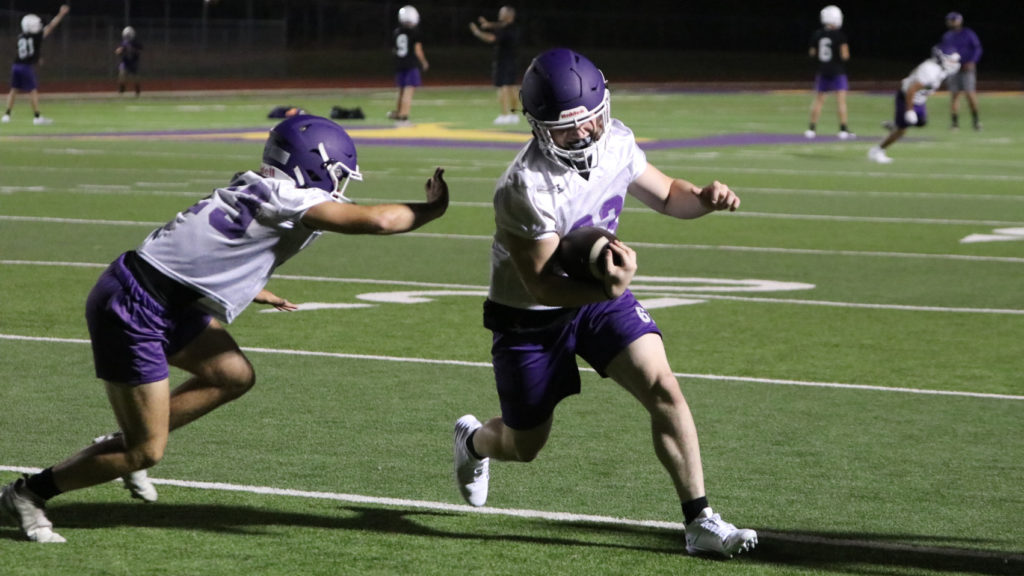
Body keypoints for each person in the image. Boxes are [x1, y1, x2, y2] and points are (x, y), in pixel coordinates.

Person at [0, 115, 449, 543]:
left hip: (159, 292)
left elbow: (211, 245)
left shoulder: (254, 185)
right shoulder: (291, 198)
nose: (340, 184)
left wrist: (254, 287)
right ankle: (29, 493)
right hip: (136, 307)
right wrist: (434, 208)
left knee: (232, 374)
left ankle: (121, 443)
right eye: (338, 173)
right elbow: (379, 221)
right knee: (146, 451)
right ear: (314, 165)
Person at [452, 48, 757, 559]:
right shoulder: (524, 186)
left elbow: (665, 194)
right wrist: (609, 288)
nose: (584, 135)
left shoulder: (616, 141)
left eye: (591, 121)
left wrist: (702, 199)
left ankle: (700, 520)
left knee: (663, 386)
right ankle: (473, 443)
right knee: (524, 446)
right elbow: (543, 287)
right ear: (538, 127)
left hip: (596, 294)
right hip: (531, 317)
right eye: (566, 129)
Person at [868, 45, 961, 164]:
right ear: (941, 58)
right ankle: (878, 150)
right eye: (951, 60)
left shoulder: (940, 70)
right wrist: (909, 110)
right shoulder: (930, 70)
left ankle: (897, 124)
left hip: (919, 100)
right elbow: (911, 90)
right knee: (902, 130)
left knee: (921, 122)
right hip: (907, 98)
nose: (954, 63)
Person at [2, 5, 70, 125]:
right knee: (32, 91)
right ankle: (37, 117)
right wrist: (61, 14)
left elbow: (28, 51)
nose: (38, 26)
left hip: (16, 65)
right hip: (26, 67)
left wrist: (37, 58)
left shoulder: (21, 36)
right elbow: (51, 26)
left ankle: (7, 115)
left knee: (14, 90)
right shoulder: (36, 36)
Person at [805, 5, 854, 140]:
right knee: (841, 101)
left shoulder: (817, 34)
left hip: (822, 70)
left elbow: (812, 53)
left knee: (818, 101)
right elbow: (845, 55)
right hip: (838, 71)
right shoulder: (840, 35)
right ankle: (843, 130)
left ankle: (811, 129)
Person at [469, 6, 521, 125]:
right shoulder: (514, 27)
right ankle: (514, 115)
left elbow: (492, 38)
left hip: (503, 61)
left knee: (502, 87)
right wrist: (488, 24)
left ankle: (504, 115)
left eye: (501, 13)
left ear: (508, 15)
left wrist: (477, 33)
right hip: (513, 60)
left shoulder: (504, 30)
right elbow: (500, 25)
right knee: (512, 87)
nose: (499, 14)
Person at [941, 11, 983, 131]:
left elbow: (977, 48)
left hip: (967, 68)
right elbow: (944, 51)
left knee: (970, 94)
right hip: (953, 69)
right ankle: (955, 124)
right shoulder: (947, 36)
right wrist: (947, 64)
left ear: (960, 21)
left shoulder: (968, 33)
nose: (952, 22)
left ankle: (976, 122)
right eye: (950, 20)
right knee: (954, 95)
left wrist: (972, 61)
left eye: (954, 20)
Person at [387, 5, 429, 125]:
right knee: (408, 90)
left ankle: (399, 111)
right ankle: (403, 115)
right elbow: (417, 50)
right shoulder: (414, 33)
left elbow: (395, 49)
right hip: (411, 64)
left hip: (399, 63)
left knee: (401, 90)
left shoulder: (397, 32)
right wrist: (424, 62)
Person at [116, 26, 143, 97]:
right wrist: (120, 50)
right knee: (122, 74)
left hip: (133, 62)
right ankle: (122, 88)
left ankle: (137, 90)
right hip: (125, 62)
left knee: (136, 78)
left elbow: (140, 50)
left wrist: (132, 50)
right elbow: (118, 50)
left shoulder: (136, 42)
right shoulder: (123, 43)